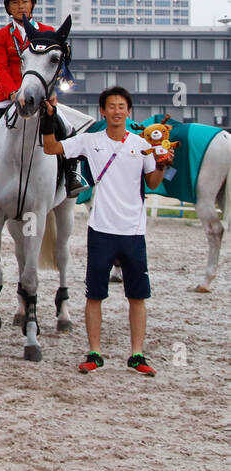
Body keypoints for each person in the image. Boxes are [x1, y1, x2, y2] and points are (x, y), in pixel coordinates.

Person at [42, 87, 166, 376]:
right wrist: (49, 119)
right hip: (101, 229)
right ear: (103, 111)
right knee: (94, 295)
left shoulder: (141, 144)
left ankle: (137, 354)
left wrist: (161, 162)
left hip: (134, 230)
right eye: (111, 106)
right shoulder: (90, 140)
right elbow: (51, 148)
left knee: (138, 296)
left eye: (122, 106)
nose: (117, 111)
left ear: (129, 111)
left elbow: (154, 182)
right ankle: (94, 352)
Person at [0, 0, 85, 197]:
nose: (20, 6)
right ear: (8, 8)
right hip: (10, 96)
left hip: (42, 96)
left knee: (67, 127)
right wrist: (13, 92)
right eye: (15, 3)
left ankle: (71, 175)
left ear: (32, 4)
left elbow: (58, 67)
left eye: (24, 1)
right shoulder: (1, 35)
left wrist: (52, 94)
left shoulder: (48, 32)